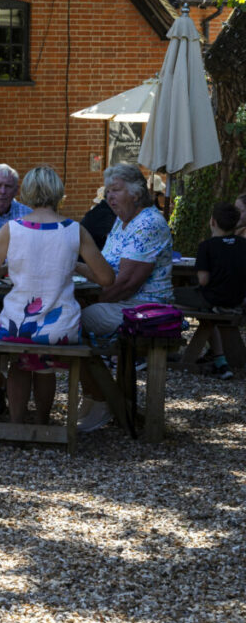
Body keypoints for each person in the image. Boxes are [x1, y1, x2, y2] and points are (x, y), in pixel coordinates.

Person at [0, 166, 114, 426]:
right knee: (45, 368)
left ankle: (17, 425)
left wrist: (7, 267)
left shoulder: (12, 229)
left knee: (19, 365)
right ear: (58, 192)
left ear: (25, 192)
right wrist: (76, 264)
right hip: (61, 328)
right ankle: (42, 422)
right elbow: (106, 278)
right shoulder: (75, 230)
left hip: (18, 326)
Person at [77, 163, 175, 430]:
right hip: (122, 302)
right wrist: (71, 264)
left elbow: (127, 284)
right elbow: (104, 271)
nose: (109, 196)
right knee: (65, 313)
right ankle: (97, 395)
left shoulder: (148, 223)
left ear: (136, 193)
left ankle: (102, 399)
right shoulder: (122, 223)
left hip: (143, 308)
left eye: (116, 190)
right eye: (107, 191)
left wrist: (93, 301)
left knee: (70, 323)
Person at [174, 202, 244, 379]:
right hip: (238, 300)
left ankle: (168, 341)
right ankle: (220, 360)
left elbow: (203, 281)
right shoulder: (244, 244)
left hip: (213, 299)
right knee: (205, 313)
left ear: (212, 222)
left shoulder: (207, 246)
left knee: (169, 295)